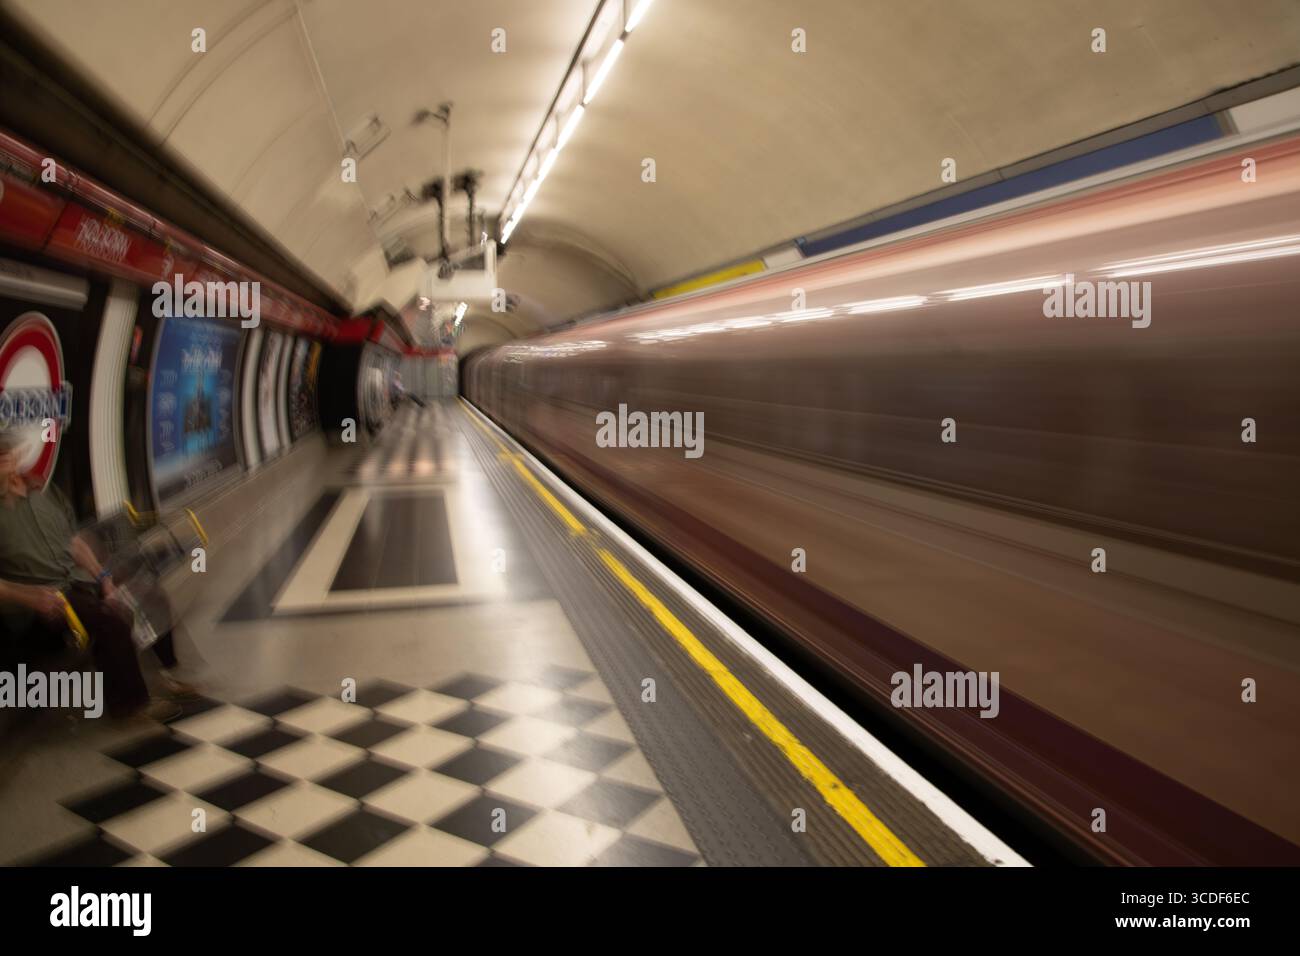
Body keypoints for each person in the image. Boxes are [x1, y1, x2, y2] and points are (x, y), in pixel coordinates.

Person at [0, 430, 177, 721]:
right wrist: (30, 598)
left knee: (143, 589)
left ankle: (168, 671)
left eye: (9, 456)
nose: (7, 465)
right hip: (42, 601)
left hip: (75, 579)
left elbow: (73, 542)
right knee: (110, 622)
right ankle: (129, 707)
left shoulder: (41, 492)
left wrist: (103, 575)